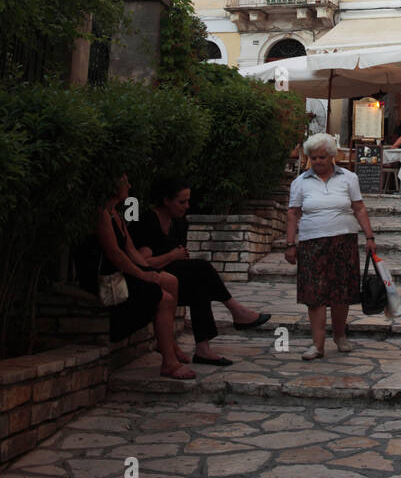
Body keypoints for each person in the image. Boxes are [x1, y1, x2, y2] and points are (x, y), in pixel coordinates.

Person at [130, 175, 270, 366]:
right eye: (182, 201)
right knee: (201, 269)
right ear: (166, 200)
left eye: (188, 201)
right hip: (150, 280)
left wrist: (178, 257)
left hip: (173, 280)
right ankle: (236, 311)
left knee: (199, 283)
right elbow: (143, 262)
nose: (187, 206)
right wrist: (172, 256)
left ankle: (203, 349)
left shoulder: (179, 223)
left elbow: (180, 256)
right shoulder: (148, 221)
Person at [92, 173, 194, 380]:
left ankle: (169, 343)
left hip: (126, 270)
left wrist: (148, 269)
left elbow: (130, 250)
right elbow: (115, 254)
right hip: (110, 277)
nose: (129, 185)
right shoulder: (102, 214)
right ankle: (169, 362)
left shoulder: (116, 215)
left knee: (170, 280)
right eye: (125, 181)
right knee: (163, 298)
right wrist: (143, 275)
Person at [285, 133, 376, 360]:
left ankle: (339, 335)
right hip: (311, 242)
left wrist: (370, 236)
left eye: (322, 158)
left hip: (343, 240)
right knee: (314, 294)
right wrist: (289, 244)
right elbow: (293, 213)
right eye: (313, 158)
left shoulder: (348, 178)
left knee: (341, 293)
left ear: (332, 157)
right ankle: (318, 345)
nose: (317, 162)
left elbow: (359, 208)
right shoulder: (300, 183)